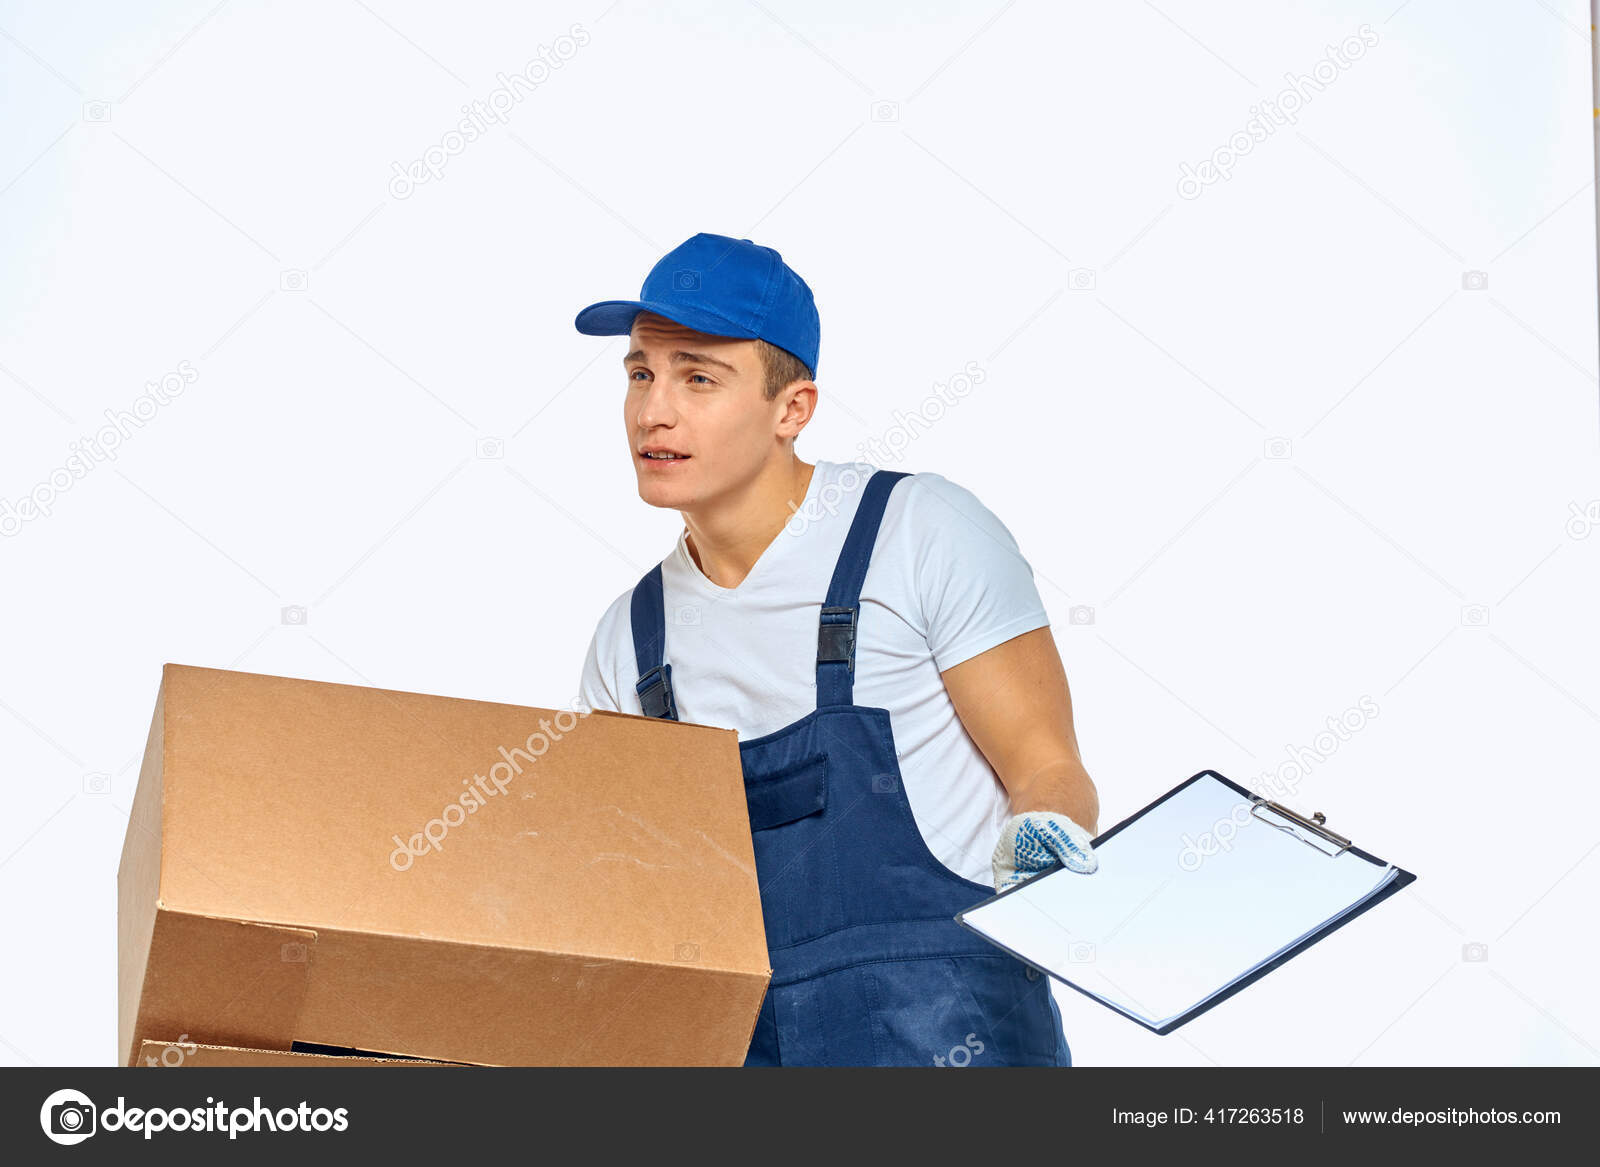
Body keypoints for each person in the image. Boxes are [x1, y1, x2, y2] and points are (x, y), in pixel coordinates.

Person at [574, 232, 1101, 1066]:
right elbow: (634, 896)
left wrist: (1042, 831)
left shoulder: (920, 532)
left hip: (952, 1035)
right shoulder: (633, 644)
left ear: (793, 409)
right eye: (641, 372)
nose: (653, 410)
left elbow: (1047, 765)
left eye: (698, 376)